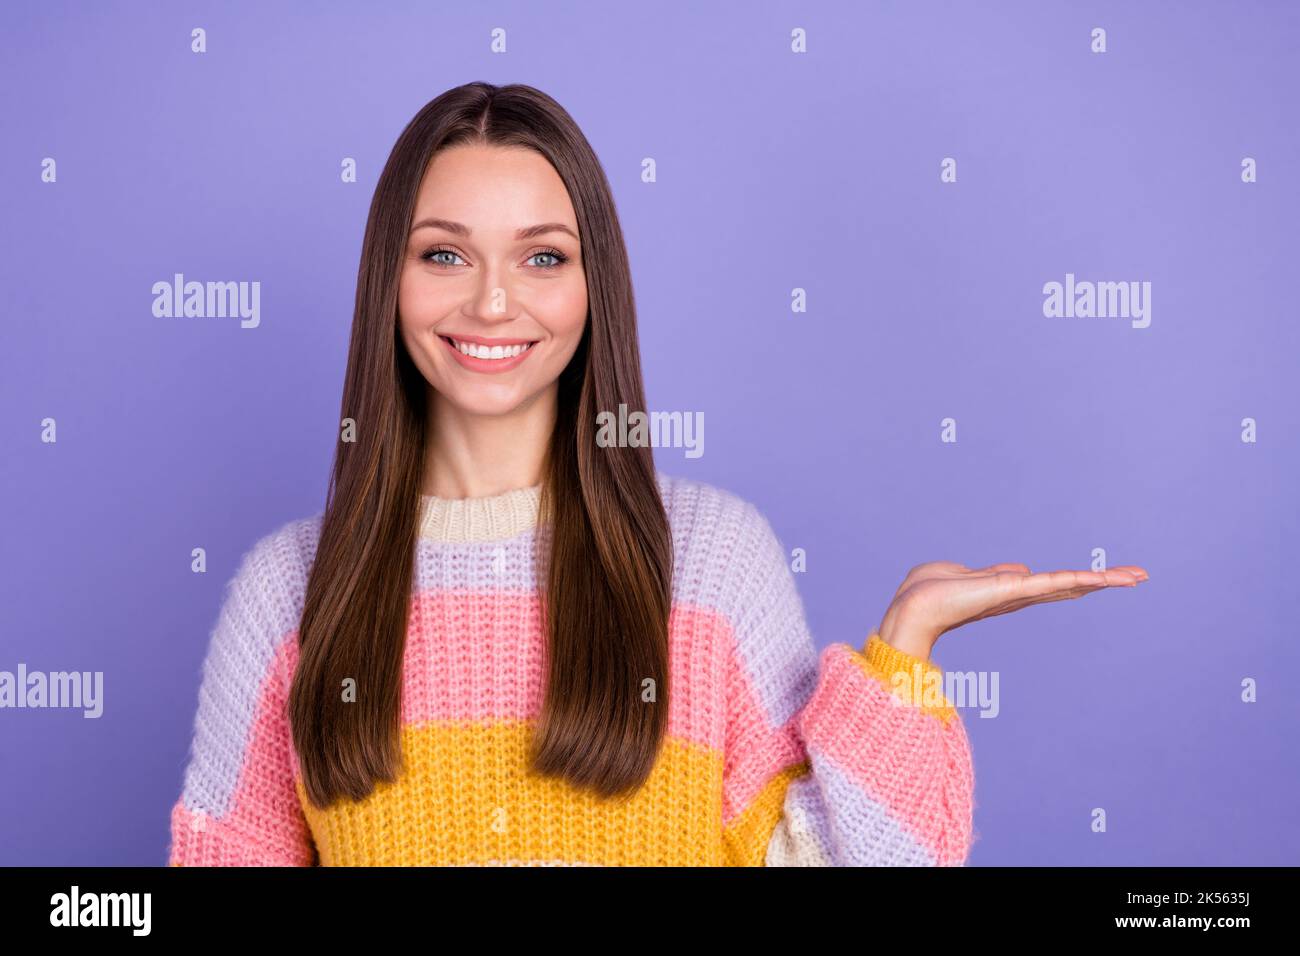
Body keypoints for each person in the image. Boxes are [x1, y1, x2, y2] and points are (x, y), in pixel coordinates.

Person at [166, 82, 1147, 867]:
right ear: (391, 276)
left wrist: (904, 650)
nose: (494, 300)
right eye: (444, 254)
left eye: (542, 257)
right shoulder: (287, 592)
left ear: (595, 290)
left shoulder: (711, 562)